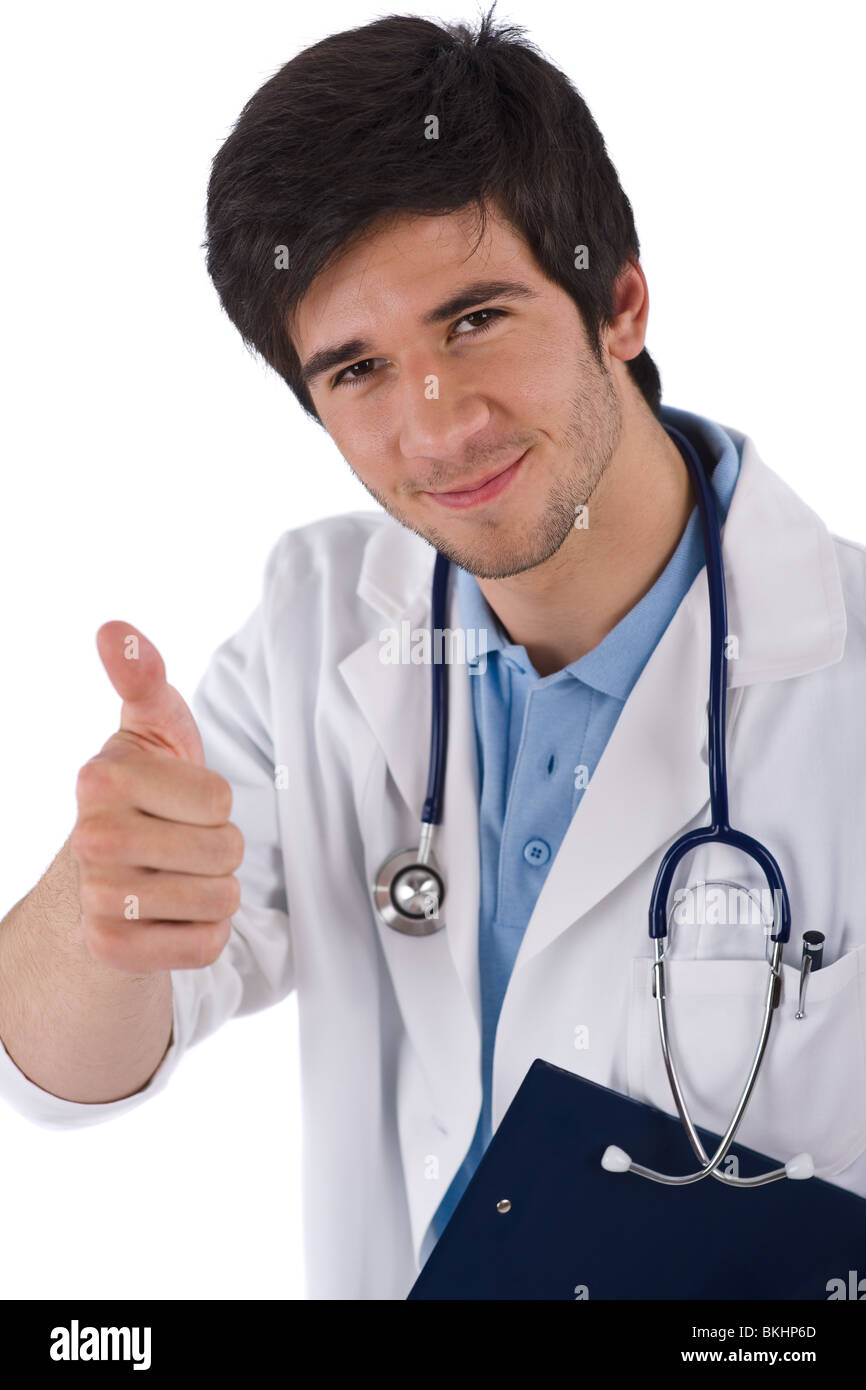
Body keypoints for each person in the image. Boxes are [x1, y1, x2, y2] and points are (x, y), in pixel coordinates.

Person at [2, 7, 866, 1302]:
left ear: (616, 301)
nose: (437, 424)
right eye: (355, 369)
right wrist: (106, 895)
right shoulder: (316, 624)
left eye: (474, 320)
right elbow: (59, 1074)